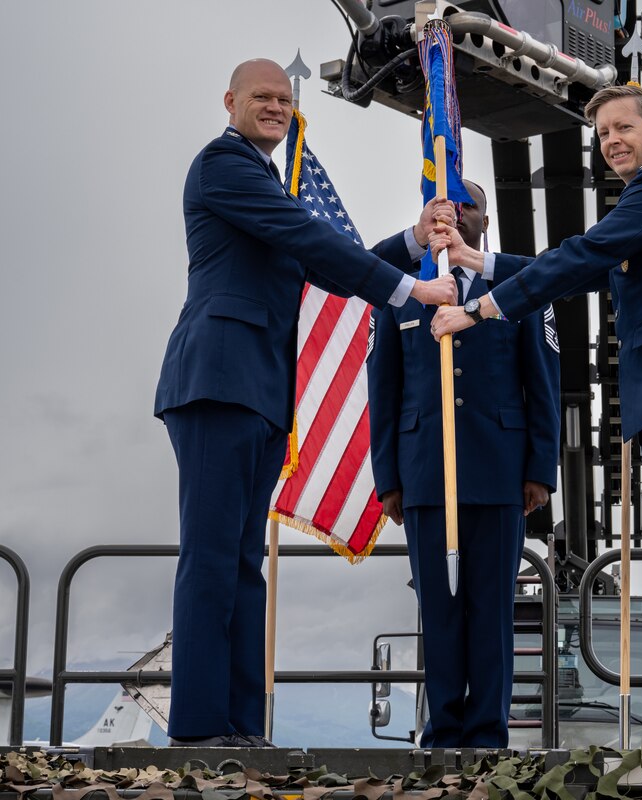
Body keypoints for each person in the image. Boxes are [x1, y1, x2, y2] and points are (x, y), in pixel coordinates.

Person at [428, 85, 642, 748]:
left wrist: (479, 307)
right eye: (603, 133)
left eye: (622, 128)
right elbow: (592, 270)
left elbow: (584, 256)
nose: (612, 141)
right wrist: (483, 263)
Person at [153, 59, 456, 748]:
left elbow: (322, 261)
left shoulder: (263, 186)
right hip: (216, 381)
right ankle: (199, 730)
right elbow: (311, 239)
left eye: (285, 100)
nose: (276, 108)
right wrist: (410, 290)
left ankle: (239, 726)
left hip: (258, 390)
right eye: (262, 97)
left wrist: (412, 244)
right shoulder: (223, 167)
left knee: (241, 562)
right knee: (210, 556)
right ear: (228, 100)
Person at [367, 180, 560, 747]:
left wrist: (539, 470)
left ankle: (486, 732)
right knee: (441, 610)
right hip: (424, 471)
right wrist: (389, 479)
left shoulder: (519, 288)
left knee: (492, 610)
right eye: (441, 206)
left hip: (500, 472)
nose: (453, 214)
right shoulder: (404, 292)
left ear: (487, 221)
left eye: (466, 206)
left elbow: (543, 381)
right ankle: (444, 729)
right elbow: (384, 389)